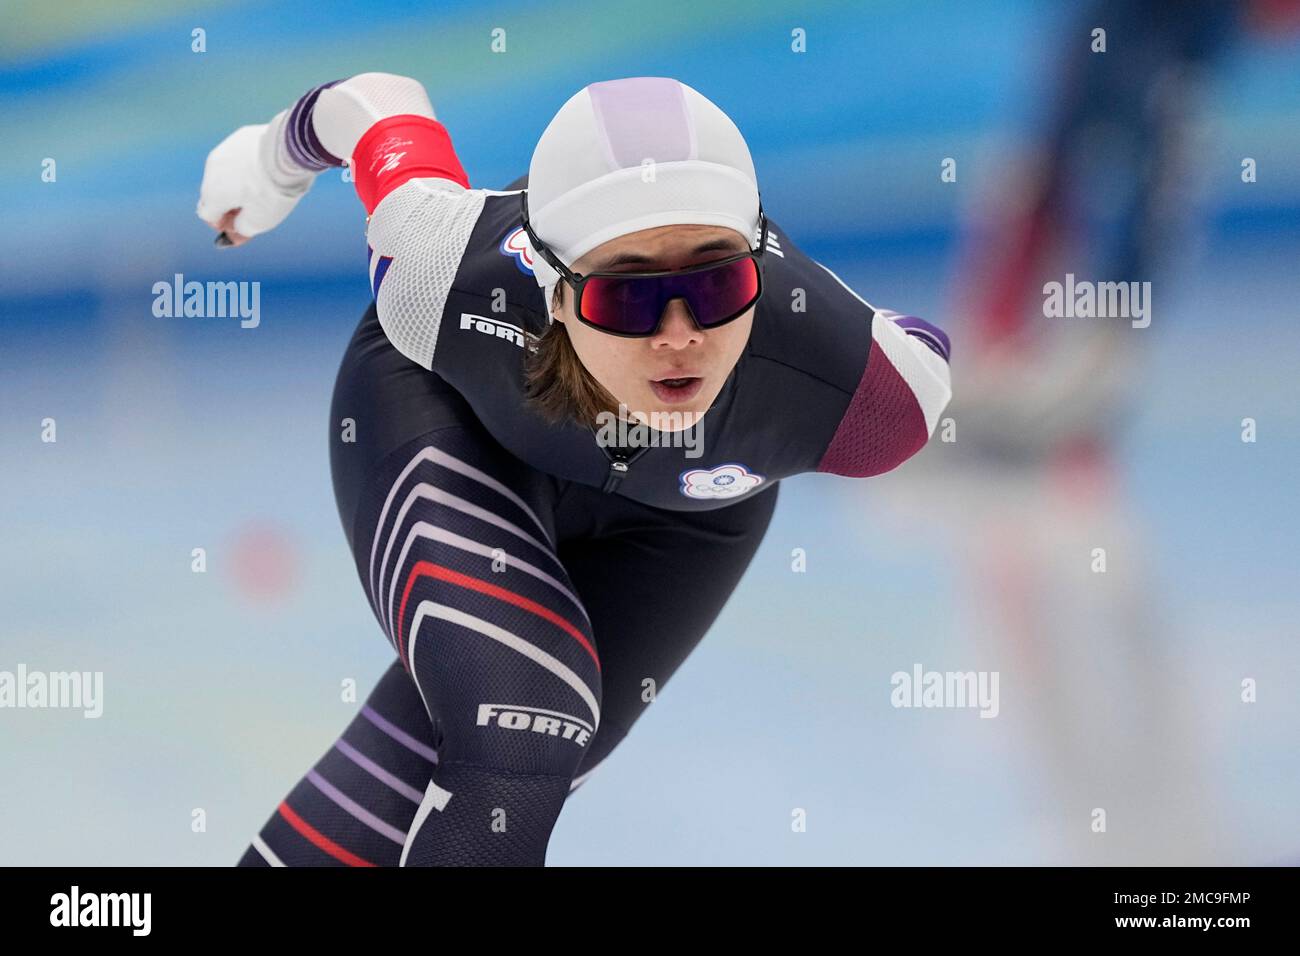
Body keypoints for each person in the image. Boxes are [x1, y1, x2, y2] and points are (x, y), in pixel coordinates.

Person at [197, 73, 953, 866]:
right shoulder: (440, 267)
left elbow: (918, 362)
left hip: (683, 525)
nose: (679, 335)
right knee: (523, 716)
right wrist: (267, 166)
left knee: (462, 772)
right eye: (627, 298)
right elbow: (372, 102)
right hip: (455, 417)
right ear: (551, 289)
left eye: (717, 284)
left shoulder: (871, 398)